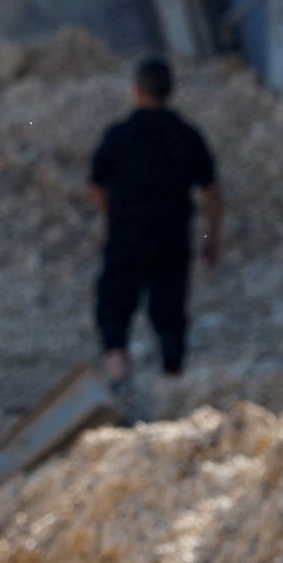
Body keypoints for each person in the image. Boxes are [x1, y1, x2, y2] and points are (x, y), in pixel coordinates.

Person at [89, 57, 222, 398]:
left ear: (135, 90)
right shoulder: (188, 136)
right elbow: (212, 194)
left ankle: (120, 381)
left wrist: (112, 216)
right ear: (170, 91)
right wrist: (210, 239)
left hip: (126, 238)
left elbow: (95, 185)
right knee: (170, 314)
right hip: (172, 239)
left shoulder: (118, 135)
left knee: (114, 309)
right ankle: (171, 389)